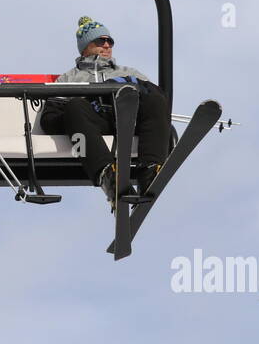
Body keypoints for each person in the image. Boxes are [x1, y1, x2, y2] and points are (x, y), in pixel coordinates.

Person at [38, 15, 171, 205]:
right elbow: (49, 120)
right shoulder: (69, 79)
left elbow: (156, 103)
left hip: (128, 121)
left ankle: (149, 170)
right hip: (94, 125)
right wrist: (75, 112)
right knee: (75, 105)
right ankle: (109, 177)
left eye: (110, 41)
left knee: (155, 97)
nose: (107, 45)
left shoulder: (129, 73)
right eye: (101, 40)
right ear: (85, 47)